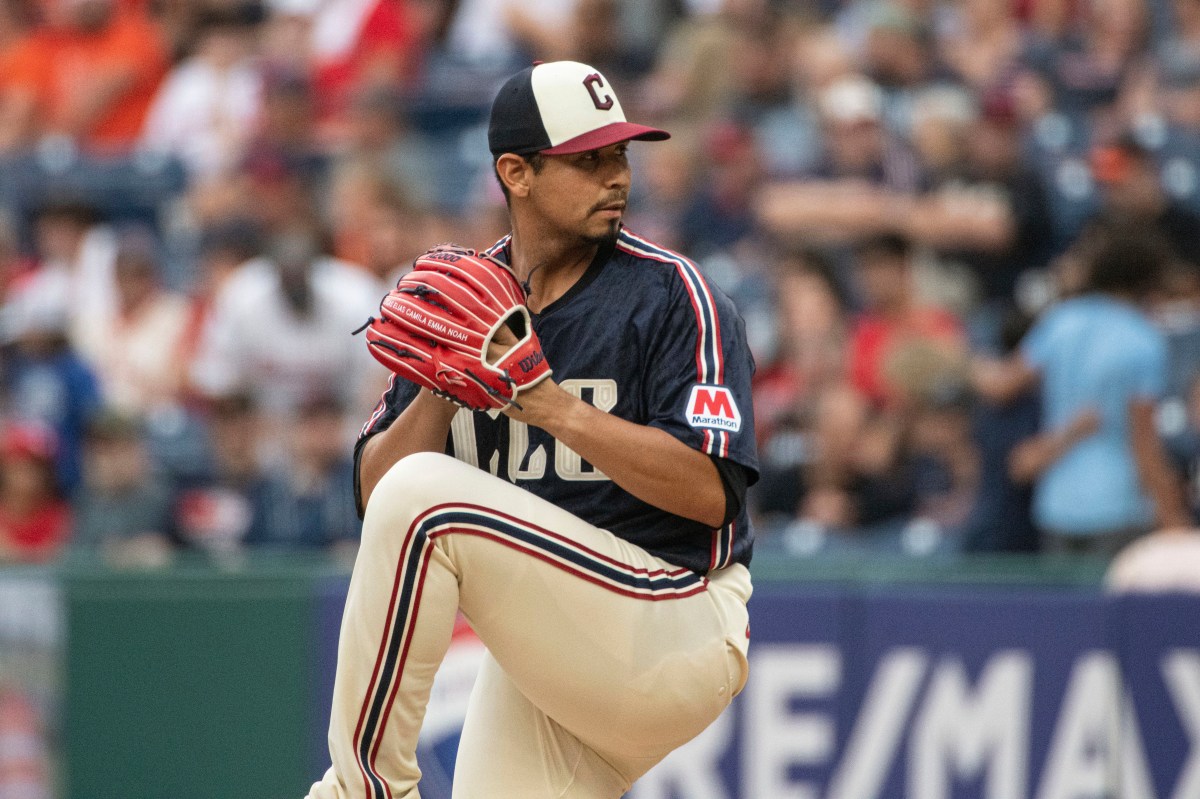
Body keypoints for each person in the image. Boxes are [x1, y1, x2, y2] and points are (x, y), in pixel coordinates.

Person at [308, 60, 756, 798]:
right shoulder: (462, 300)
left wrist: (553, 407)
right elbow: (375, 496)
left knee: (430, 498)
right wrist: (440, 392)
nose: (617, 176)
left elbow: (712, 494)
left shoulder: (675, 296)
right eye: (589, 159)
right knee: (414, 492)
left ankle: (363, 789)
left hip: (674, 618)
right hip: (562, 648)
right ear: (516, 172)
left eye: (621, 155)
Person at [972, 226, 1192, 555]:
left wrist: (963, 358)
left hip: (1057, 505)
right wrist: (1174, 521)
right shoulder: (1143, 340)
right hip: (1120, 507)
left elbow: (1002, 385)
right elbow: (1144, 442)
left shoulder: (1062, 321)